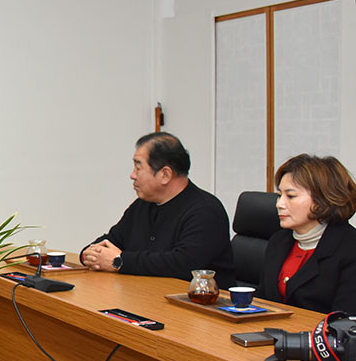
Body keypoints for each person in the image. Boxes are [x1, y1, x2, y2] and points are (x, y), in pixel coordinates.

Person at [80, 132, 236, 288]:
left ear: (165, 175)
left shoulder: (205, 211)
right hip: (148, 296)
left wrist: (119, 261)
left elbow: (183, 265)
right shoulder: (142, 205)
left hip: (198, 305)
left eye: (138, 167)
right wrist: (89, 254)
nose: (132, 175)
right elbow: (111, 240)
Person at [256, 154, 356, 314]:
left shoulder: (349, 249)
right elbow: (262, 302)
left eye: (291, 196)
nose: (279, 204)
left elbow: (345, 324)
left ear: (322, 199)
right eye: (279, 195)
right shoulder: (278, 240)